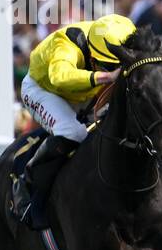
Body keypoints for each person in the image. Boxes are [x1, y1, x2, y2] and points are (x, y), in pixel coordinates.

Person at [12, 14, 136, 229]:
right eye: (108, 66)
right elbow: (60, 77)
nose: (114, 70)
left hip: (85, 91)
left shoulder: (114, 37)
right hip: (45, 89)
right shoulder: (67, 42)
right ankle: (27, 178)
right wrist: (106, 78)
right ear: (95, 58)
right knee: (74, 133)